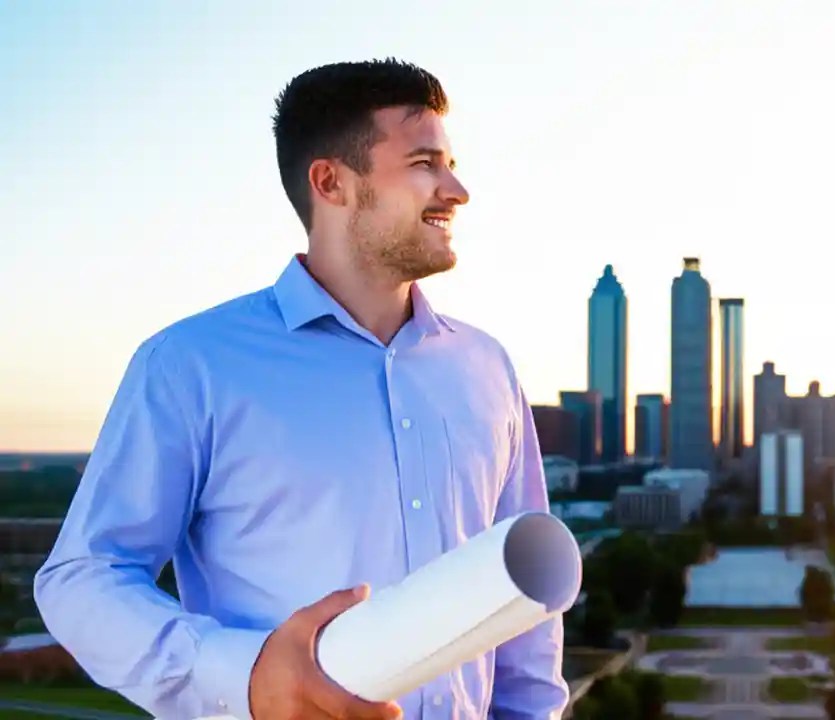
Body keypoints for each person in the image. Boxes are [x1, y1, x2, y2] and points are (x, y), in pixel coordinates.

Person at [34, 59, 568, 720]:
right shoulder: (192, 365)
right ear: (331, 182)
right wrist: (247, 675)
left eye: (451, 162)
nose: (457, 189)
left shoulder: (487, 368)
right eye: (425, 163)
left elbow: (523, 607)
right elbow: (83, 578)